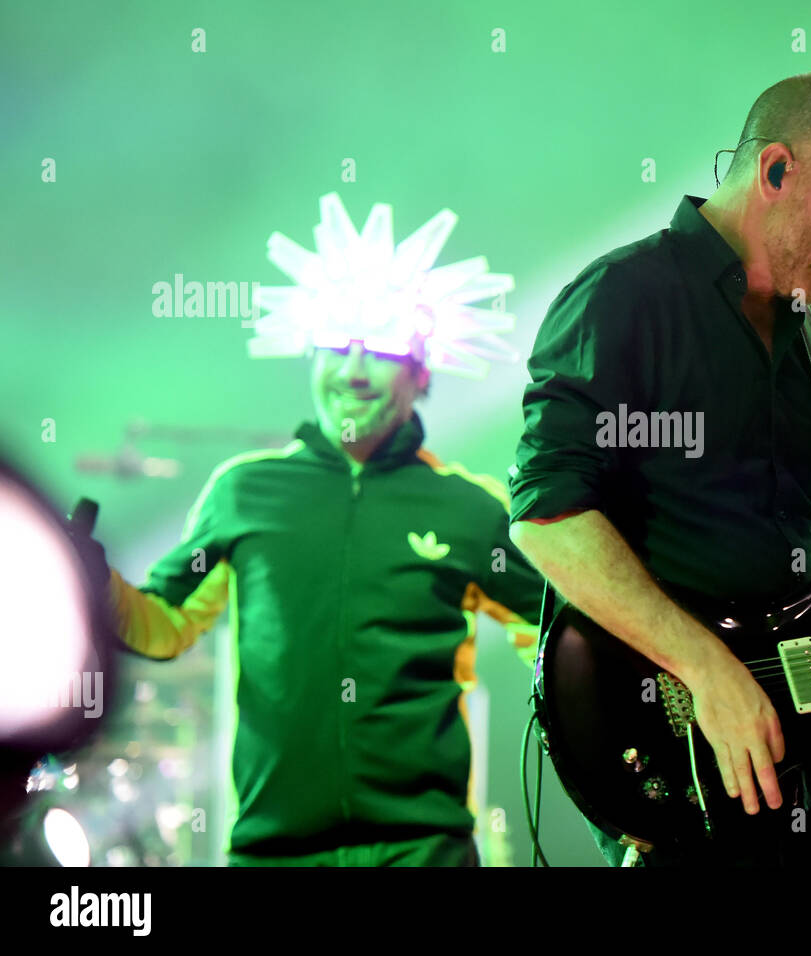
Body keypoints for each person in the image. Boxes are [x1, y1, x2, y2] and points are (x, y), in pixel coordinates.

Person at [508, 72, 811, 866]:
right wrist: (707, 669)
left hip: (791, 779)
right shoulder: (624, 296)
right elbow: (547, 518)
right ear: (776, 171)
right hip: (672, 759)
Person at [100, 193, 544, 866]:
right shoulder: (243, 491)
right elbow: (162, 623)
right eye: (337, 343)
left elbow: (559, 640)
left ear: (422, 371)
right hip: (270, 854)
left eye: (384, 345)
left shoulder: (470, 509)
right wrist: (83, 578)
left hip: (424, 854)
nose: (355, 369)